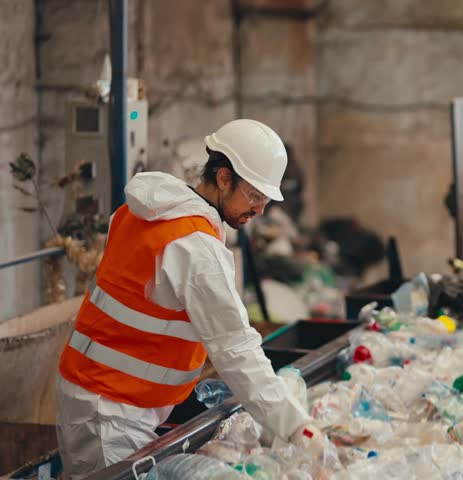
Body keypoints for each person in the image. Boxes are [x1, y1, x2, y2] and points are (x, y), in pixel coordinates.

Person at [55, 119, 315, 477]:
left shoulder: (141, 212)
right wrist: (299, 429)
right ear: (224, 179)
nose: (259, 211)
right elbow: (237, 349)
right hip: (112, 410)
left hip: (101, 395)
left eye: (265, 200)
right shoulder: (193, 246)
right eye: (254, 196)